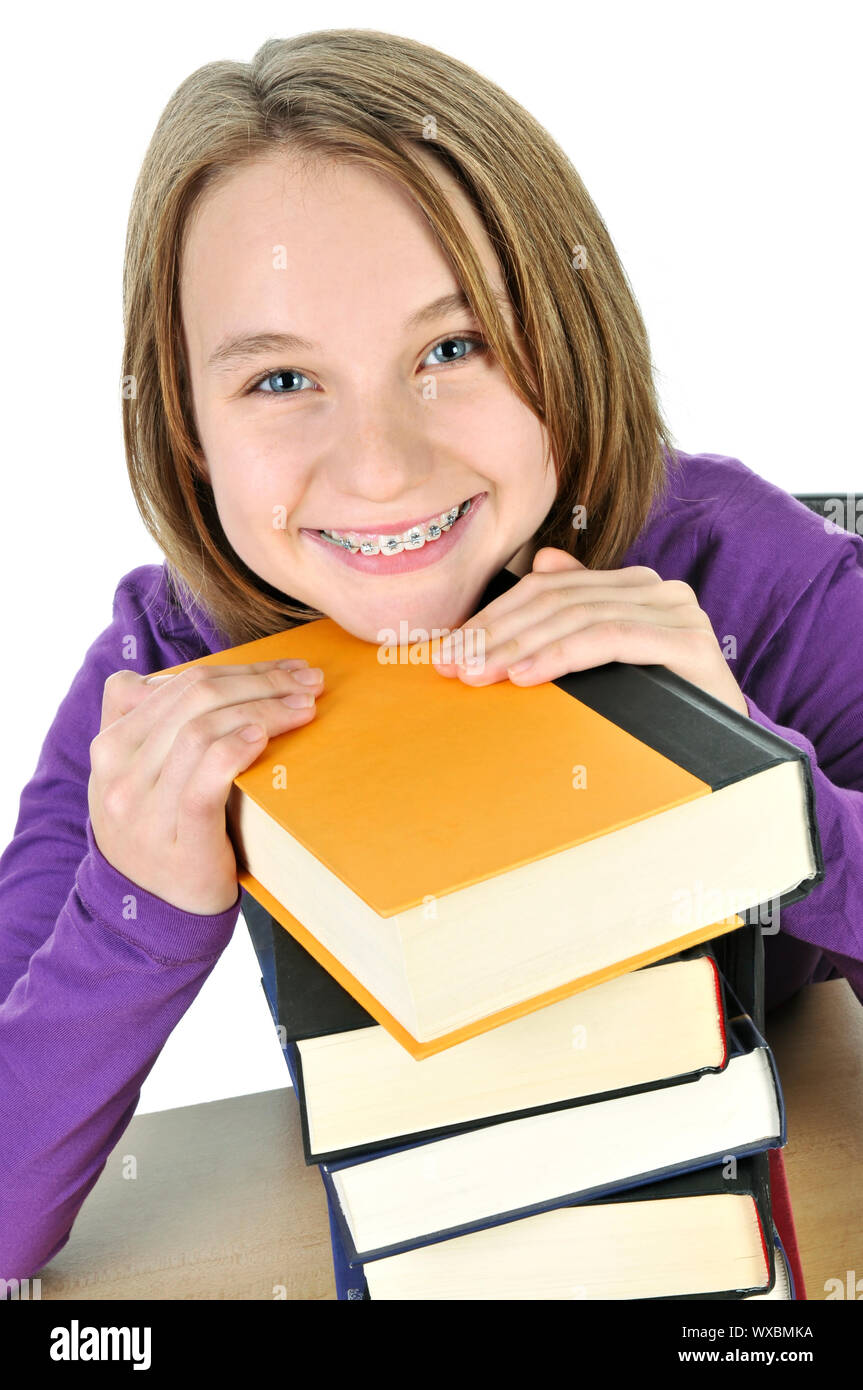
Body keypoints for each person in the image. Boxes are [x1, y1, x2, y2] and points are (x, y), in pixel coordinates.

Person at [1, 29, 861, 1293]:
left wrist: (756, 783)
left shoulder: (743, 576)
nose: (380, 468)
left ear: (567, 338)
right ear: (185, 428)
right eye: (282, 377)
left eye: (453, 348)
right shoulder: (164, 677)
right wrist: (139, 914)